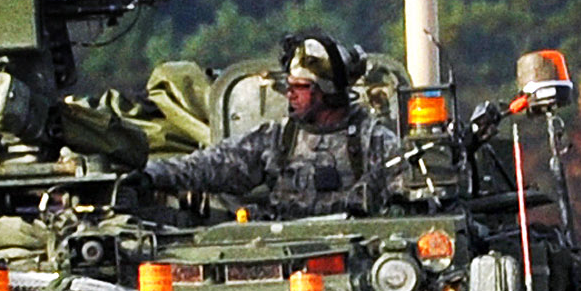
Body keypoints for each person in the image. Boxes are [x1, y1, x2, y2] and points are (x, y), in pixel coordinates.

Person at [136, 31, 402, 218]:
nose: (290, 94)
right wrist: (150, 174)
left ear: (328, 91)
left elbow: (409, 201)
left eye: (301, 87)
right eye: (289, 86)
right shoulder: (277, 139)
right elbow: (212, 164)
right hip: (286, 257)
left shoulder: (376, 142)